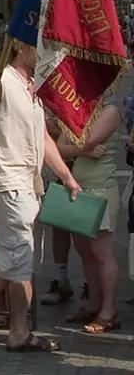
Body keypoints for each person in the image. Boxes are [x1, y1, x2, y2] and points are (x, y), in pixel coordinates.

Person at [0, 45, 80, 352]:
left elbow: (42, 137)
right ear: (21, 47)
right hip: (5, 181)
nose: (48, 56)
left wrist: (66, 176)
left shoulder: (34, 89)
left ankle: (17, 332)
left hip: (30, 184)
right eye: (42, 48)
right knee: (14, 261)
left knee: (19, 264)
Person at [56, 98, 123, 333]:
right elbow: (59, 148)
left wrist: (77, 146)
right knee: (85, 251)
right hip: (79, 188)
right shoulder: (79, 109)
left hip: (101, 189)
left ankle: (109, 310)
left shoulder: (110, 109)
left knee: (101, 252)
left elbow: (90, 139)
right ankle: (93, 303)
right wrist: (80, 149)